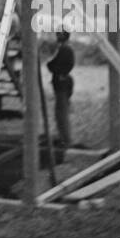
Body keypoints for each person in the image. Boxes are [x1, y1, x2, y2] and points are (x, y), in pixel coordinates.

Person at [46, 29, 75, 158]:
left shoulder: (65, 49)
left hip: (62, 83)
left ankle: (66, 140)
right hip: (61, 82)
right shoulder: (63, 48)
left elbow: (54, 65)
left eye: (59, 34)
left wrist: (58, 71)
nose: (57, 36)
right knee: (60, 113)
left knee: (62, 113)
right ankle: (63, 138)